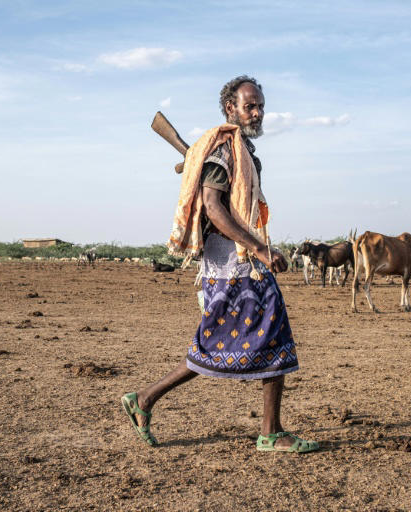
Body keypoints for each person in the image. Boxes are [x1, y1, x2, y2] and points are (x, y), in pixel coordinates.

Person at [121, 76, 319, 453]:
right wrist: (260, 248)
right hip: (233, 265)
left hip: (236, 264)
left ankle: (146, 399)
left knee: (234, 341)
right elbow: (213, 207)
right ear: (231, 108)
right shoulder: (224, 151)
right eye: (250, 106)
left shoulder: (236, 150)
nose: (258, 112)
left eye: (260, 105)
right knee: (255, 337)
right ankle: (269, 432)